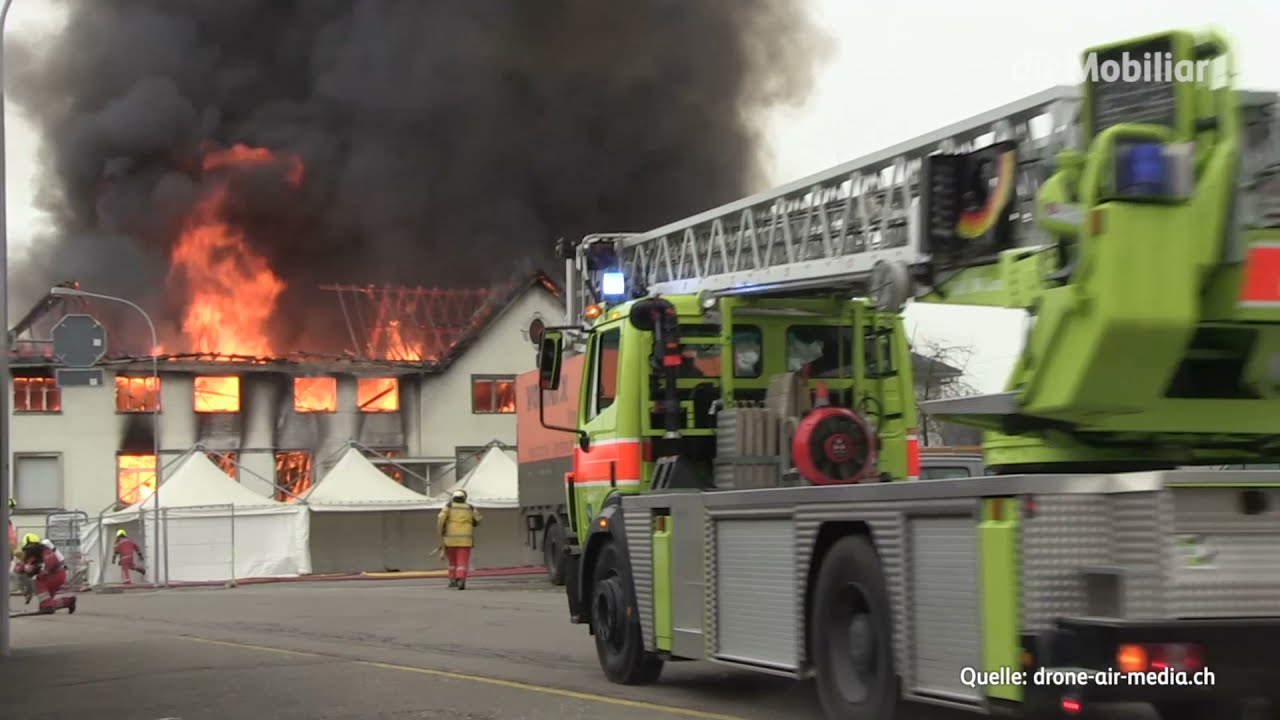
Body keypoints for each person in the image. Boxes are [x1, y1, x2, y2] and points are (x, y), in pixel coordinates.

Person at [18, 532, 76, 615]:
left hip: (55, 575)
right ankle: (68, 601)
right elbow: (19, 568)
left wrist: (39, 572)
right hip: (54, 576)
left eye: (31, 547)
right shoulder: (31, 555)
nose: (30, 550)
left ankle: (48, 606)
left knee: (37, 581)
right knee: (45, 605)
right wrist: (25, 568)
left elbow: (50, 562)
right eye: (28, 548)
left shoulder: (45, 550)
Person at [437, 489, 482, 590]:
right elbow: (478, 519)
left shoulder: (448, 506)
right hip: (465, 541)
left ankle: (452, 580)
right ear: (464, 497)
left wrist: (441, 530)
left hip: (450, 540)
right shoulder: (470, 507)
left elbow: (440, 518)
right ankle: (461, 579)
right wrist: (474, 522)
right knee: (462, 561)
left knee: (452, 561)